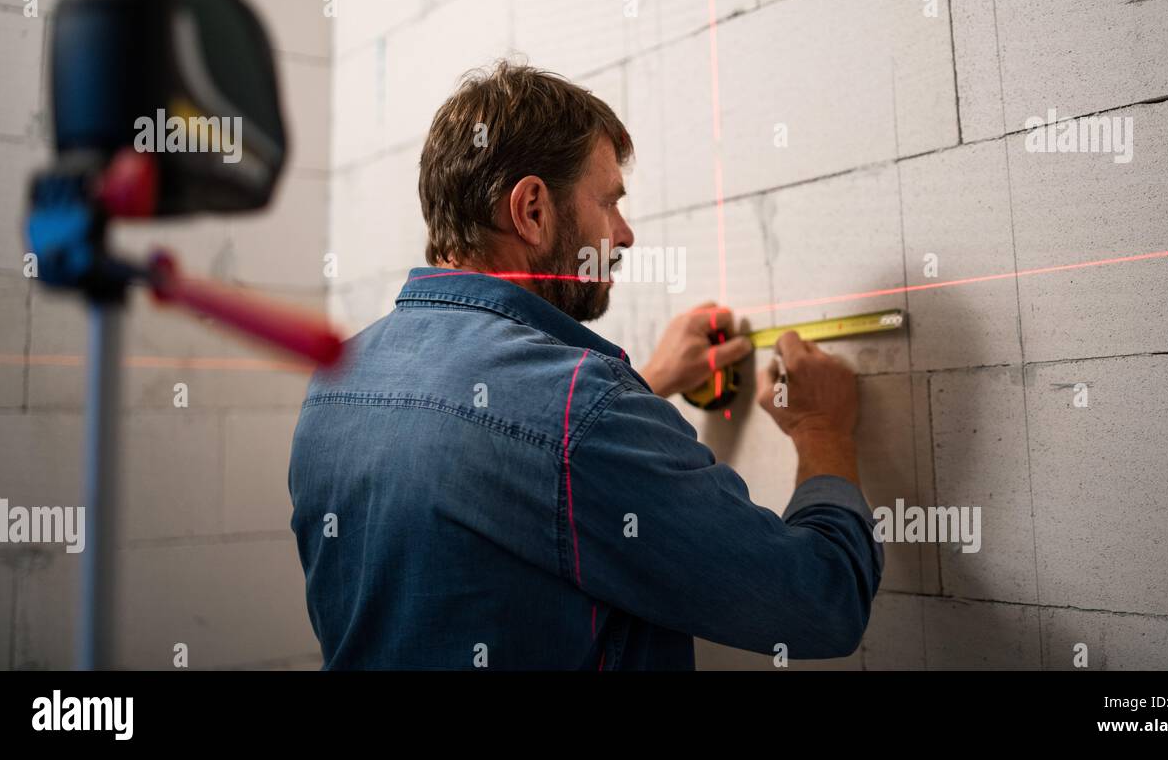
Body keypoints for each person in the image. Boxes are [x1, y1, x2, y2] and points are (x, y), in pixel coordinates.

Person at [288, 60, 884, 670]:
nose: (623, 235)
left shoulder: (338, 380)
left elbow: (509, 466)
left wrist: (643, 388)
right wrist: (821, 432)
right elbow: (821, 602)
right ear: (532, 211)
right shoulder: (580, 411)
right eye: (608, 203)